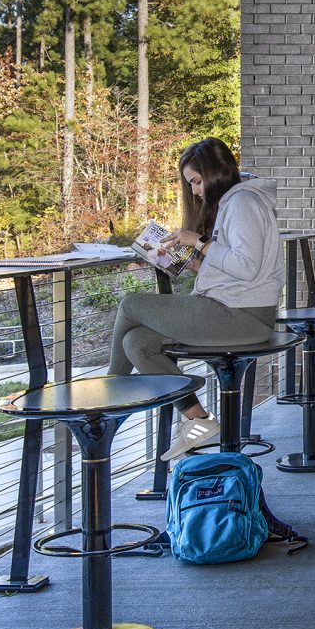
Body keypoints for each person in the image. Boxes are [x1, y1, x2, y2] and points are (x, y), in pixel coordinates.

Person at [108, 137, 285, 460]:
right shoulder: (236, 202)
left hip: (242, 315)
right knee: (137, 342)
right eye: (191, 183)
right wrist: (191, 263)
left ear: (216, 173)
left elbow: (246, 268)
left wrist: (199, 241)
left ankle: (109, 399)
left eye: (197, 181)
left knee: (131, 304)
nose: (195, 191)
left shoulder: (243, 203)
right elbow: (234, 266)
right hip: (230, 308)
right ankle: (199, 419)